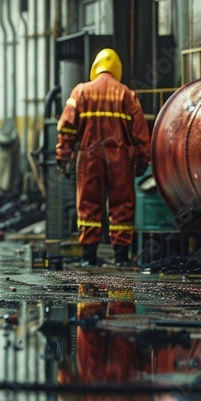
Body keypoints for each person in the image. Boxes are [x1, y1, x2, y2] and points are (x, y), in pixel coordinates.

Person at [55, 48, 151, 266]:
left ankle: (89, 257)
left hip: (89, 156)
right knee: (122, 205)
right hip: (120, 158)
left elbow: (66, 126)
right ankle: (120, 258)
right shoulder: (126, 94)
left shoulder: (80, 92)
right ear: (117, 69)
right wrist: (143, 160)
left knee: (88, 203)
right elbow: (140, 133)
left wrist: (64, 154)